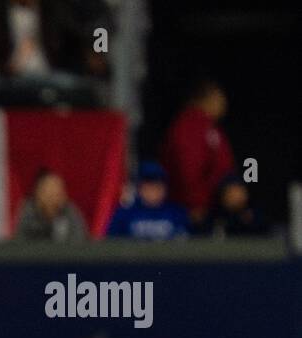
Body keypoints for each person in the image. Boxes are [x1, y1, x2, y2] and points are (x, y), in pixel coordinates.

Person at [161, 80, 234, 226]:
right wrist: (196, 204)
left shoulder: (208, 126)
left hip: (212, 208)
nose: (224, 103)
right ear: (207, 99)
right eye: (220, 98)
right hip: (191, 211)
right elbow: (189, 168)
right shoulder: (191, 126)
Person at [106, 161, 189, 241]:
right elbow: (111, 244)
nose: (152, 191)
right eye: (148, 186)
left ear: (165, 188)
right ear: (139, 188)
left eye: (157, 186)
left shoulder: (177, 213)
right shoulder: (124, 214)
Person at [14, 168, 87, 241]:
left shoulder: (70, 211)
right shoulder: (28, 211)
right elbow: (20, 243)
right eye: (49, 191)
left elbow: (79, 242)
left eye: (58, 190)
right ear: (38, 193)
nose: (54, 195)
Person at [197, 176, 270, 239]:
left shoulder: (254, 216)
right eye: (231, 192)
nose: (236, 197)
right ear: (222, 196)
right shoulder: (214, 217)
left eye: (240, 191)